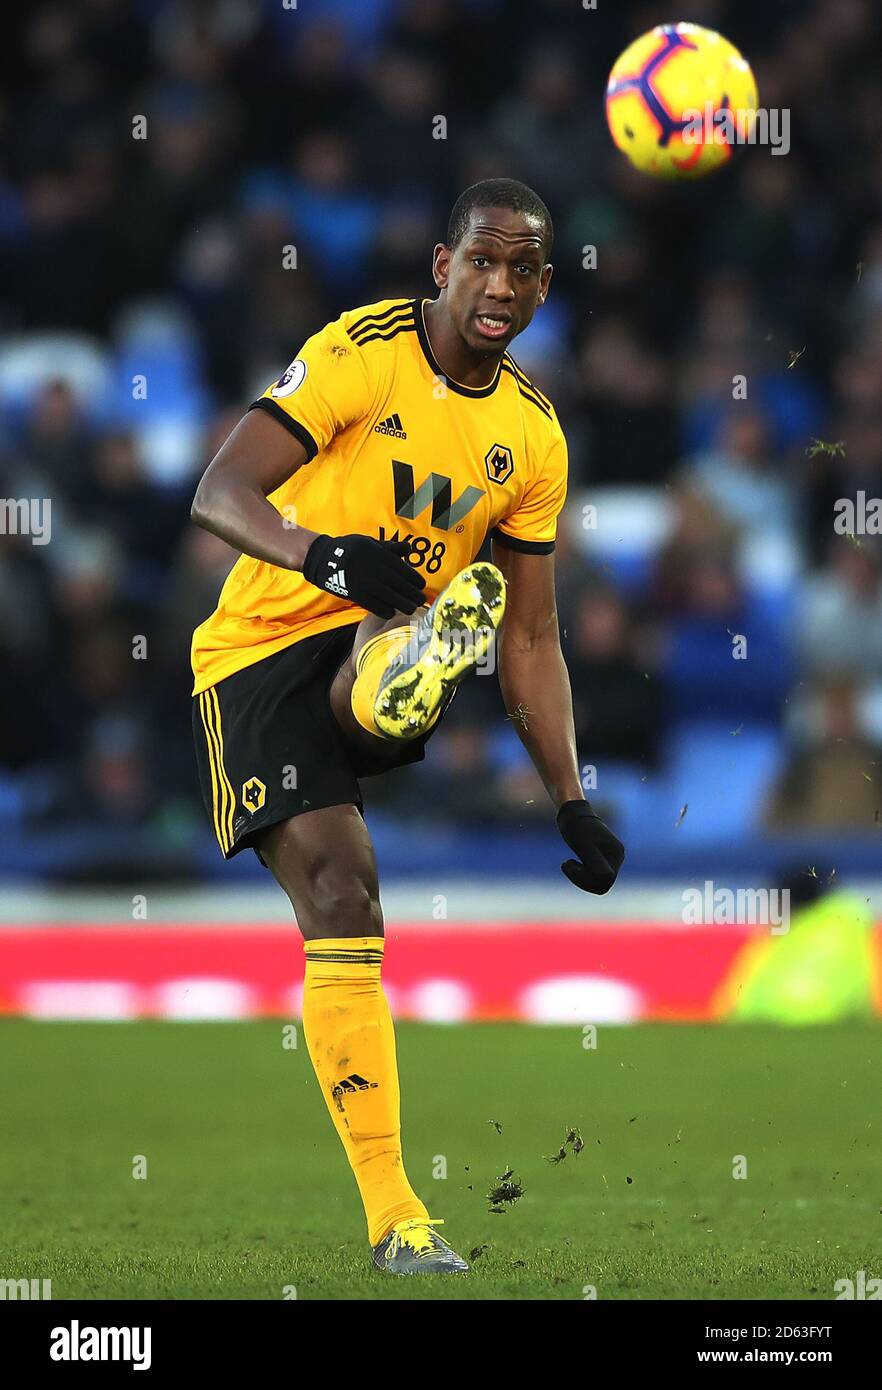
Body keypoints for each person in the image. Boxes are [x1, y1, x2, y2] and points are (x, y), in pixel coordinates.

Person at [189, 178, 624, 1275]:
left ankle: (400, 670)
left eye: (523, 269)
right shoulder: (360, 350)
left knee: (407, 665)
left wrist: (570, 795)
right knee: (344, 893)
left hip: (372, 640)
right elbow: (220, 490)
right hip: (261, 654)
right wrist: (322, 554)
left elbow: (531, 638)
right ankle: (397, 1217)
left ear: (543, 288)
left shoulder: (531, 436)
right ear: (443, 265)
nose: (499, 286)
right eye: (482, 261)